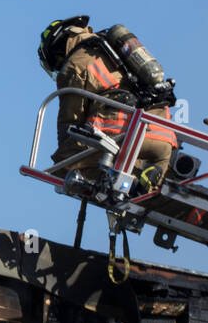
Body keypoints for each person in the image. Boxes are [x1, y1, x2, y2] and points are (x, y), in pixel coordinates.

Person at [37, 16, 177, 193]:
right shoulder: (115, 50)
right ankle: (148, 174)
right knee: (145, 181)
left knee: (61, 166)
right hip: (163, 137)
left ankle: (98, 183)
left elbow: (70, 121)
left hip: (122, 136)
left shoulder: (74, 65)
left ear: (57, 50)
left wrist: (66, 153)